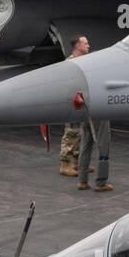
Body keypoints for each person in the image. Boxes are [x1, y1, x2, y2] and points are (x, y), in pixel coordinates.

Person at [57, 35, 91, 177]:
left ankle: (76, 163)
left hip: (82, 103)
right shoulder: (70, 63)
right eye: (85, 43)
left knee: (80, 134)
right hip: (73, 104)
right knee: (71, 133)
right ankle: (65, 165)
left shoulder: (84, 62)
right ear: (77, 45)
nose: (88, 45)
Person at [78, 118, 113, 192]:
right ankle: (101, 182)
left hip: (85, 112)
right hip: (99, 113)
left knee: (85, 145)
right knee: (103, 144)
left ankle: (82, 181)